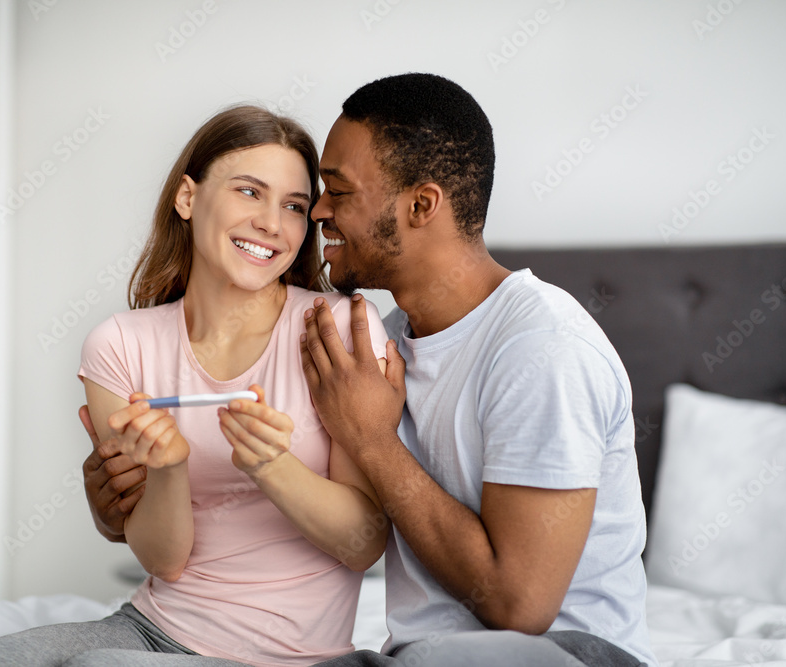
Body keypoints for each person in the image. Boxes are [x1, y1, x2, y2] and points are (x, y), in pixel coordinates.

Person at [86, 75, 659, 666]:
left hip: (566, 655)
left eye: (335, 192)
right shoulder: (377, 342)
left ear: (420, 206)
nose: (317, 215)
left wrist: (371, 437)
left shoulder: (542, 350)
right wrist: (117, 507)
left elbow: (518, 607)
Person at [0, 105, 391, 667]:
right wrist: (167, 468)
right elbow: (163, 561)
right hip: (154, 628)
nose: (272, 222)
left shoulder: (335, 328)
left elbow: (363, 545)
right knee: (0, 659)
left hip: (294, 656)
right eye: (249, 191)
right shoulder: (118, 345)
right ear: (187, 198)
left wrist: (272, 466)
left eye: (293, 206)